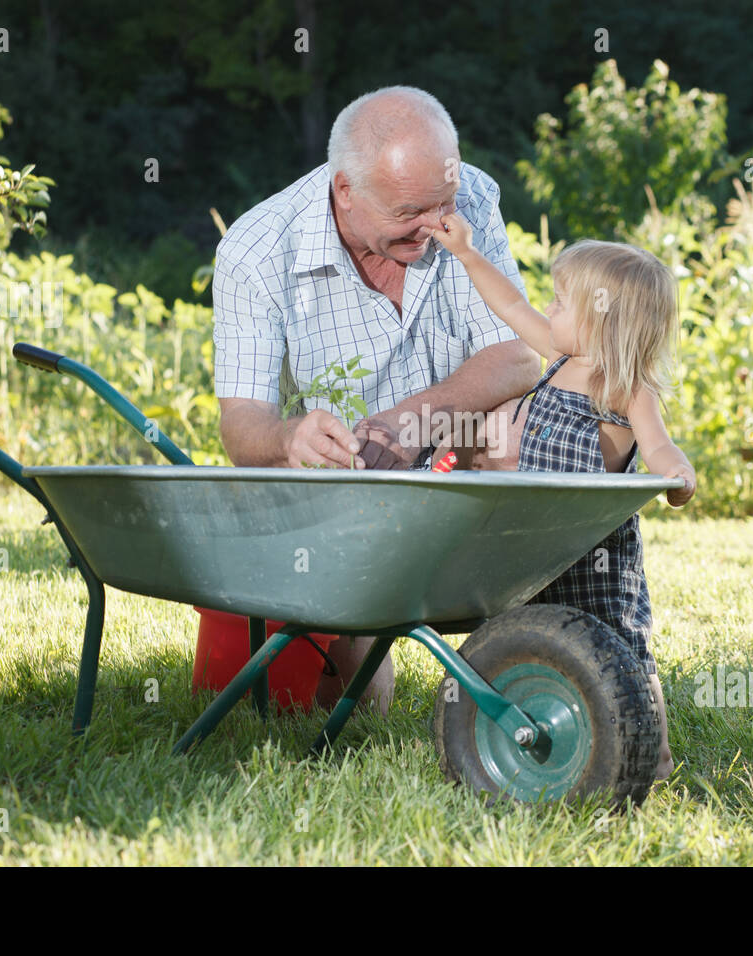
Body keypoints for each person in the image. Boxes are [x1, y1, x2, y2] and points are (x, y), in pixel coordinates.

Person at [211, 86, 538, 713]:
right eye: (409, 213)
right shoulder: (256, 253)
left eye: (442, 205)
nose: (436, 227)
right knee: (355, 715)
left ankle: (521, 653)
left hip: (454, 446)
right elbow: (242, 427)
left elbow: (519, 354)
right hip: (347, 479)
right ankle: (359, 645)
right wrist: (290, 438)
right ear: (345, 192)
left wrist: (413, 419)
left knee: (513, 434)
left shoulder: (465, 196)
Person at [431, 214, 697, 780]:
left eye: (561, 300)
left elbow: (661, 448)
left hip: (595, 552)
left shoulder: (625, 389)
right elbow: (509, 305)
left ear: (604, 318)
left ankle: (657, 756)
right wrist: (468, 254)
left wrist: (678, 475)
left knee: (623, 651)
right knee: (533, 637)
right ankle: (547, 731)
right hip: (538, 542)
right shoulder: (557, 356)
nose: (549, 309)